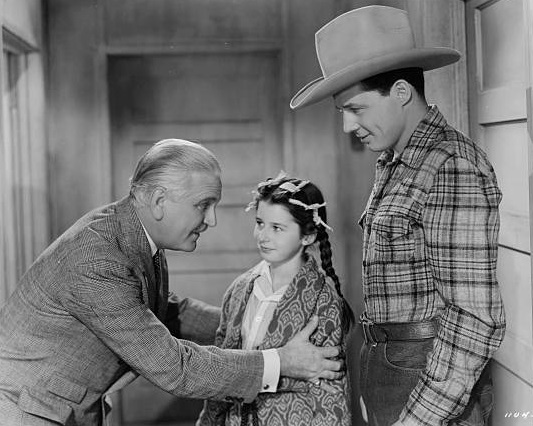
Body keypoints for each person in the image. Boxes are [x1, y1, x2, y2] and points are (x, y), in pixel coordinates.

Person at [0, 139, 343, 426]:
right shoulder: (97, 258)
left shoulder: (130, 232)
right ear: (160, 201)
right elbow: (172, 366)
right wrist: (279, 360)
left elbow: (164, 312)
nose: (211, 220)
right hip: (28, 411)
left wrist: (258, 322)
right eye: (203, 205)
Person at [290, 6, 506, 426]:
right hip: (390, 372)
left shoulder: (450, 166)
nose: (348, 126)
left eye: (357, 109)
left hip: (430, 392)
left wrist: (417, 419)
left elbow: (474, 319)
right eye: (342, 113)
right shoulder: (396, 160)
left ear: (402, 92)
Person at [197, 172, 354, 426]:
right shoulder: (239, 289)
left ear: (308, 236)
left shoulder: (322, 300)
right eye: (260, 223)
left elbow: (330, 391)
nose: (263, 236)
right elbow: (222, 366)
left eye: (277, 228)